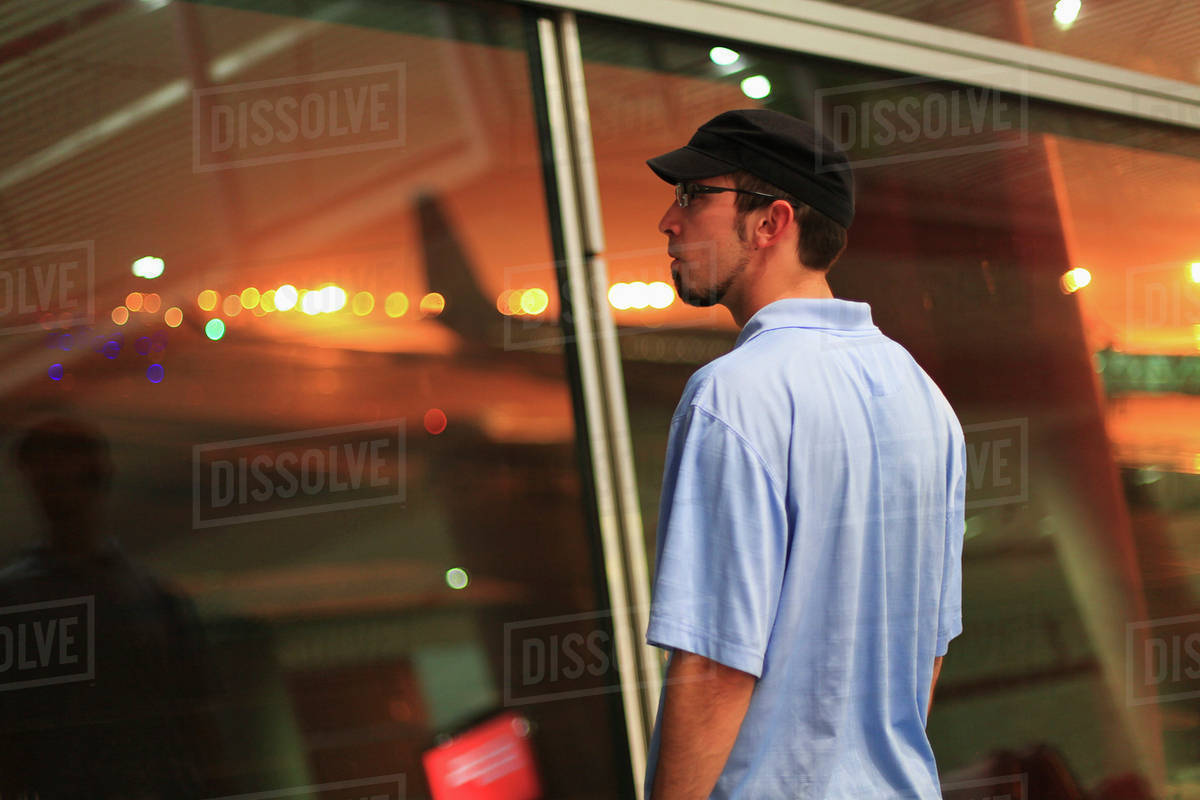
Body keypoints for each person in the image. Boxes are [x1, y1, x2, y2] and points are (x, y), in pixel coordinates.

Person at [642, 109, 966, 799]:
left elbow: (715, 669)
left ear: (771, 222)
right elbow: (926, 656)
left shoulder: (732, 396)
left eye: (694, 195)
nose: (669, 221)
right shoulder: (927, 401)